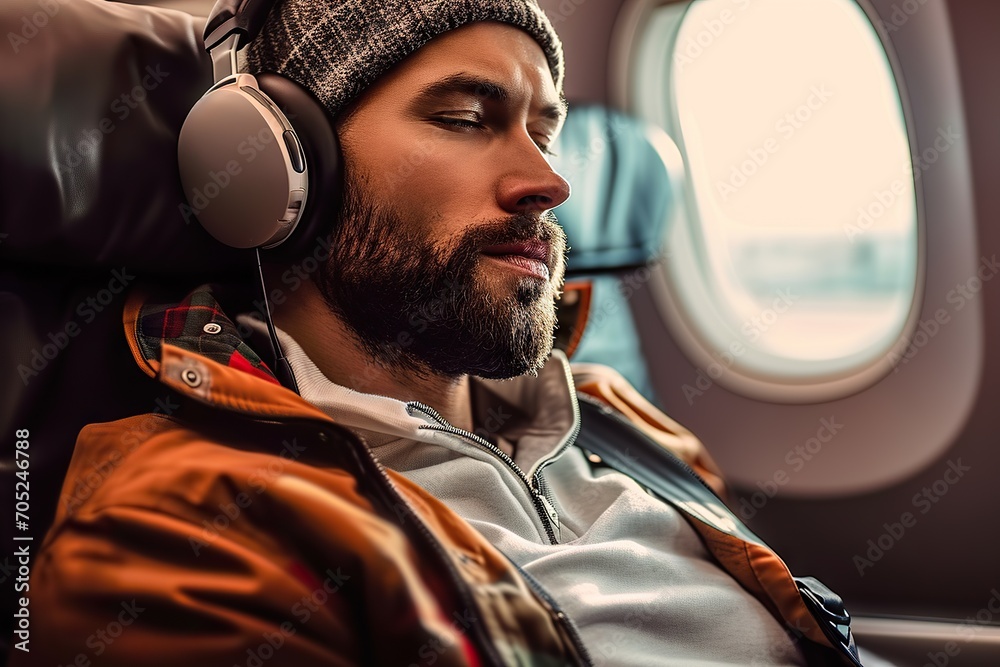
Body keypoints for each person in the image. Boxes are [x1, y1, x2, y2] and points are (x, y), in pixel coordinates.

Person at [13, 1, 863, 665]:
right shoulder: (191, 531)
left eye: (545, 131)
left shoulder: (621, 422)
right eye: (464, 118)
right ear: (280, 169)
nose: (549, 181)